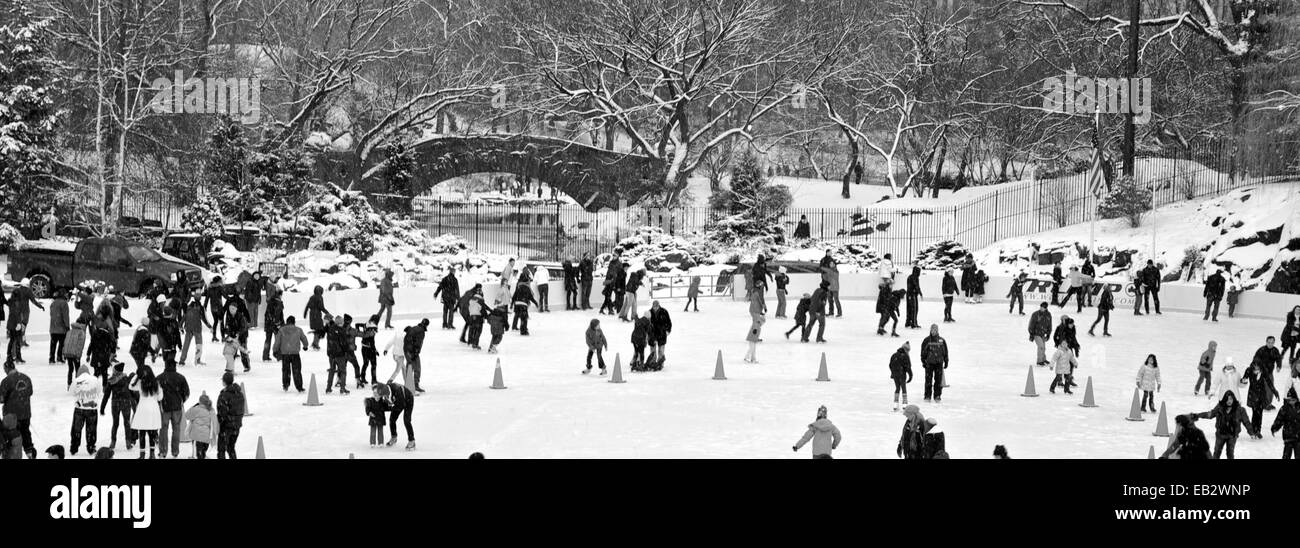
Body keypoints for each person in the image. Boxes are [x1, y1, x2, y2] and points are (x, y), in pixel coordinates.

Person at [1196, 391, 1253, 459]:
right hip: (1220, 434)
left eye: (1231, 399)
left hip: (1232, 435)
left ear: (1234, 399)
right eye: (1227, 399)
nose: (1229, 401)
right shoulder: (1220, 407)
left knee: (1230, 453)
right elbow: (1210, 414)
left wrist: (1251, 432)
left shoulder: (1240, 410)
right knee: (1216, 453)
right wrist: (1197, 415)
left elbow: (1246, 422)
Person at [0, 359, 35, 459]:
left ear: (6, 368)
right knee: (26, 433)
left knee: (11, 438)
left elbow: (1, 399)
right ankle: (30, 453)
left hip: (11, 416)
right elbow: (30, 392)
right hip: (25, 412)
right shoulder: (26, 378)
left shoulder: (6, 381)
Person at [156, 360, 190, 459]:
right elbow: (187, 393)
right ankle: (175, 451)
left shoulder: (159, 378)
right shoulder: (181, 378)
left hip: (164, 407)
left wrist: (160, 402)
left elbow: (155, 393)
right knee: (176, 429)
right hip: (177, 407)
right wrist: (181, 400)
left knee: (163, 429)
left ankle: (163, 451)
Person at [129, 365, 162, 459]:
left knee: (142, 432)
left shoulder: (140, 382)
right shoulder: (156, 383)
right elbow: (160, 397)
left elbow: (130, 386)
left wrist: (136, 376)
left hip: (143, 409)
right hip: (153, 409)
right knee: (152, 432)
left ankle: (142, 455)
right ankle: (152, 454)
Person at [99, 363, 134, 450]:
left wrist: (102, 408)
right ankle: (128, 442)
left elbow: (106, 395)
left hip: (115, 403)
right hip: (126, 403)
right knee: (127, 423)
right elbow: (132, 392)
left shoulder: (111, 380)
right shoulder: (127, 379)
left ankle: (113, 442)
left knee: (115, 423)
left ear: (116, 371)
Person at [69, 365, 100, 456]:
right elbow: (99, 391)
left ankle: (74, 447)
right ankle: (91, 447)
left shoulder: (76, 380)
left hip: (79, 409)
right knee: (91, 429)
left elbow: (71, 392)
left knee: (76, 428)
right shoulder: (95, 379)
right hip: (92, 409)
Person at [377, 381, 416, 449]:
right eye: (383, 396)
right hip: (397, 402)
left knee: (406, 421)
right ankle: (394, 437)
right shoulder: (384, 393)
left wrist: (389, 408)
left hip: (408, 400)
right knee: (392, 420)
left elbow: (400, 406)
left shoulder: (397, 391)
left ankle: (412, 441)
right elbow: (384, 405)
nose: (383, 397)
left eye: (384, 395)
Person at [216, 372, 245, 459]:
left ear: (224, 382)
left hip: (226, 427)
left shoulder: (224, 395)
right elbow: (241, 409)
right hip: (237, 425)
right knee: (231, 448)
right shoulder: (240, 394)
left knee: (221, 450)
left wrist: (219, 422)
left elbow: (222, 413)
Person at [1251, 336, 1283, 409]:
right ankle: (1263, 403)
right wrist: (1256, 367)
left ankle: (1268, 403)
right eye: (1269, 342)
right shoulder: (1261, 350)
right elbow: (1255, 359)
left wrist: (1279, 366)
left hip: (1269, 373)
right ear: (1266, 342)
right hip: (1261, 373)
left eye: (1272, 343)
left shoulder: (1275, 350)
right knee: (1263, 388)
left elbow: (1278, 358)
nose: (1270, 344)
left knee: (1270, 388)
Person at [1241, 360, 1269, 439]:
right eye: (1255, 365)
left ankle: (1258, 431)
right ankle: (1253, 430)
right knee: (1255, 413)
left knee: (1260, 414)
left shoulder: (1263, 371)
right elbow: (1244, 379)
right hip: (1253, 395)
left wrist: (1274, 391)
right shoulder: (1249, 370)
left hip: (1261, 395)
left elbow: (1269, 382)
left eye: (1258, 365)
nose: (1256, 367)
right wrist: (1243, 380)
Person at [920, 325, 949, 403]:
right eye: (932, 330)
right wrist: (923, 361)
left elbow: (945, 351)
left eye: (935, 330)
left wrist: (946, 361)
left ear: (937, 331)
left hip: (939, 363)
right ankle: (927, 396)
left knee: (938, 380)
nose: (933, 331)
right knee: (928, 380)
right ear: (930, 330)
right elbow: (923, 352)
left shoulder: (941, 340)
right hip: (929, 363)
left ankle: (937, 395)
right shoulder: (927, 340)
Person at [184, 393, 216, 459]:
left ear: (200, 402)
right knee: (202, 453)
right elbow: (214, 423)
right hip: (207, 437)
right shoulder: (212, 410)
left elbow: (186, 415)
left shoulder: (196, 409)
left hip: (197, 436)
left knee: (198, 454)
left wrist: (193, 406)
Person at [178, 299, 209, 366]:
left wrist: (180, 325)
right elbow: (204, 319)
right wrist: (209, 326)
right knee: (199, 345)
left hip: (188, 328)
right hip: (197, 328)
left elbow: (184, 317)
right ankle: (197, 360)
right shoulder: (200, 308)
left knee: (186, 345)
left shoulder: (188, 307)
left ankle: (181, 360)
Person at [1272, 388, 1300, 459]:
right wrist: (1275, 427)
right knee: (1286, 455)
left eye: (1293, 400)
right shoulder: (1284, 409)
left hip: (1298, 437)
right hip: (1288, 436)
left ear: (1296, 399)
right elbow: (1279, 419)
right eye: (1289, 400)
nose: (1291, 402)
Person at [403, 319, 429, 393]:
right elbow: (418, 343)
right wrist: (415, 353)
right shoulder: (421, 331)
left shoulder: (414, 328)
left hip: (406, 350)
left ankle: (408, 385)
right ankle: (415, 385)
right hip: (412, 351)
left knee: (409, 366)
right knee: (417, 368)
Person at [63, 314, 88, 388]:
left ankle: (69, 384)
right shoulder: (81, 333)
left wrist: (64, 353)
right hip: (75, 354)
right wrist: (78, 356)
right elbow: (80, 346)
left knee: (70, 368)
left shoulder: (69, 331)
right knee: (78, 369)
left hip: (68, 353)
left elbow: (65, 343)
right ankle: (78, 385)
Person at [304, 285, 330, 350]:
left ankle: (315, 343)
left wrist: (305, 313)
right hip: (317, 315)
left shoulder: (311, 297)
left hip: (312, 315)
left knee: (317, 330)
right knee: (319, 330)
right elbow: (321, 307)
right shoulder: (320, 297)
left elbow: (307, 306)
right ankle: (315, 344)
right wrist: (328, 313)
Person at [743, 289, 765, 364]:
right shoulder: (757, 323)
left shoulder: (758, 323)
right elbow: (755, 326)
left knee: (752, 348)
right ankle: (751, 359)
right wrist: (755, 330)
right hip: (752, 338)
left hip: (753, 338)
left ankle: (749, 358)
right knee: (752, 349)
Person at [261, 290, 284, 363]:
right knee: (278, 341)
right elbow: (277, 314)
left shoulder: (270, 302)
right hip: (275, 325)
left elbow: (267, 314)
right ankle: (279, 356)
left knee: (268, 340)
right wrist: (278, 324)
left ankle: (265, 356)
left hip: (268, 323)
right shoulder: (279, 302)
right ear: (280, 295)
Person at [648, 301, 673, 367]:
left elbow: (669, 322)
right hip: (652, 334)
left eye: (657, 306)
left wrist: (668, 330)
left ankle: (660, 363)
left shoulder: (664, 312)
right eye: (654, 306)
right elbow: (646, 324)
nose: (655, 308)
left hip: (662, 333)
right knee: (653, 350)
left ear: (659, 305)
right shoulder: (649, 312)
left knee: (661, 350)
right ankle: (652, 362)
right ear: (652, 306)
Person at [889, 342, 913, 411]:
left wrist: (892, 373)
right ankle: (905, 406)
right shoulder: (905, 356)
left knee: (897, 388)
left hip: (895, 374)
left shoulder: (894, 355)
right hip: (902, 374)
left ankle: (895, 406)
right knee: (904, 389)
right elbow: (908, 367)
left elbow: (890, 365)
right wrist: (910, 376)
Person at [49, 290, 69, 365]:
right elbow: (65, 316)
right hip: (61, 328)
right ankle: (59, 358)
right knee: (61, 343)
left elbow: (51, 314)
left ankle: (51, 358)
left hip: (53, 327)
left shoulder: (53, 303)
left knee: (53, 343)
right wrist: (67, 326)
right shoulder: (64, 303)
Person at [360, 315, 380, 386]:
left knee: (365, 363)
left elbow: (357, 325)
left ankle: (362, 378)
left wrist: (362, 334)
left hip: (363, 347)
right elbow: (371, 341)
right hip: (369, 348)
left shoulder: (366, 324)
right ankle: (374, 380)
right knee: (373, 365)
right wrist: (374, 350)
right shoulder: (373, 327)